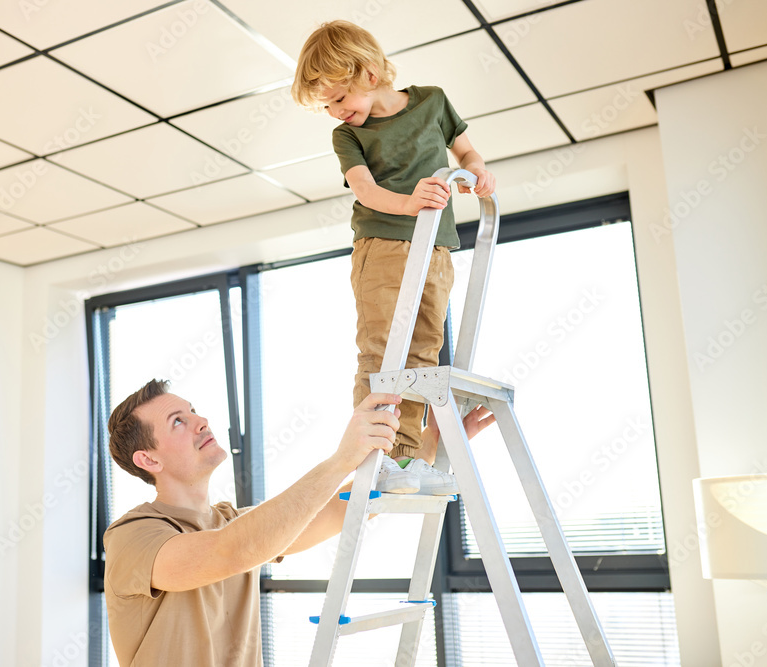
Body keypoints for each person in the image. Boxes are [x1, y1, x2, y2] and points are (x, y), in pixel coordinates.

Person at [102, 378, 495, 667]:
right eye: (177, 421)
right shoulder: (133, 536)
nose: (200, 420)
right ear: (149, 461)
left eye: (192, 410)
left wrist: (428, 449)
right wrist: (342, 457)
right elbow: (232, 550)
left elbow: (344, 506)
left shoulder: (229, 521)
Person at [291, 20, 498, 496]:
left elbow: (466, 152)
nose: (335, 113)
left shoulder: (433, 102)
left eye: (339, 99)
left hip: (437, 247)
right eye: (326, 106)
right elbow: (365, 189)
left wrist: (477, 171)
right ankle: (374, 456)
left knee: (423, 353)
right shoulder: (349, 137)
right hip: (383, 244)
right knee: (383, 351)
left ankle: (404, 459)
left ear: (368, 74)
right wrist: (409, 203)